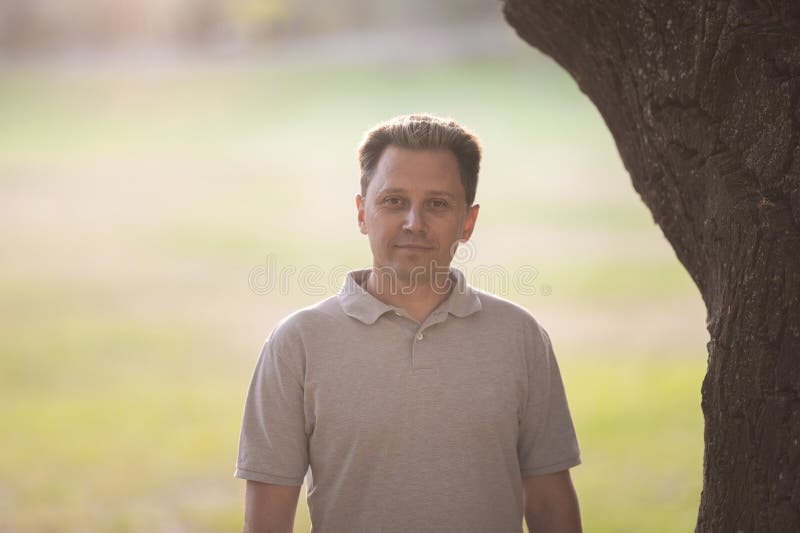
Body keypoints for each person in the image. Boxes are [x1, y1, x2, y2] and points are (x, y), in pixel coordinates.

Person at [235, 113, 582, 533]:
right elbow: (267, 524)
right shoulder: (298, 344)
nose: (414, 223)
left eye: (437, 204)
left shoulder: (520, 338)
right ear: (363, 213)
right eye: (394, 201)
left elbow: (549, 505)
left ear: (467, 222)